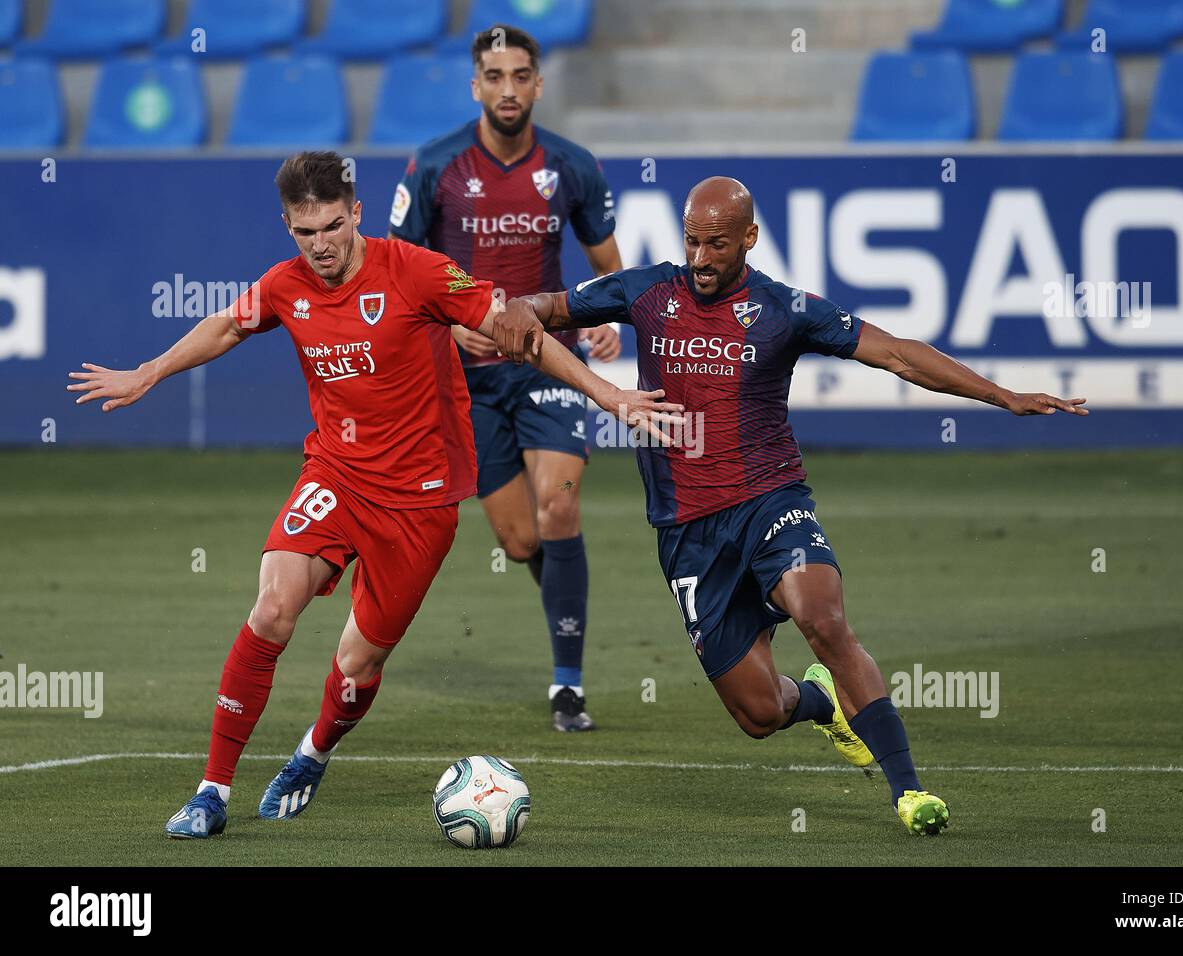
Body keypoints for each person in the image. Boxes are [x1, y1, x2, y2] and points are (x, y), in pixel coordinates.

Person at [66, 151, 680, 839]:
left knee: (358, 663)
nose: (320, 245)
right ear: (287, 227)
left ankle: (314, 750)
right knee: (272, 607)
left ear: (356, 213)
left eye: (332, 226)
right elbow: (230, 325)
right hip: (334, 475)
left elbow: (520, 331)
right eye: (305, 233)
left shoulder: (416, 272)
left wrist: (611, 395)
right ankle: (211, 790)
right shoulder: (286, 284)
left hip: (420, 503)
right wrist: (150, 372)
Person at [491, 176, 1090, 835]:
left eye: (716, 244)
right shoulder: (645, 292)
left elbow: (895, 354)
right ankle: (818, 704)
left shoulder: (786, 310)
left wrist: (1001, 395)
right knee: (759, 715)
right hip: (686, 531)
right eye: (691, 241)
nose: (700, 257)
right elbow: (543, 307)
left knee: (822, 617)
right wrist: (518, 310)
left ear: (749, 238)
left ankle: (909, 791)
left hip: (769, 500)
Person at [389, 25, 623, 732]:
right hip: (469, 380)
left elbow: (610, 263)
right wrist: (445, 323)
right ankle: (562, 606)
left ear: (539, 84)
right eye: (495, 76)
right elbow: (397, 276)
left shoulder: (572, 167)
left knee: (559, 508)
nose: (509, 89)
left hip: (547, 362)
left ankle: (567, 685)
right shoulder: (434, 167)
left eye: (521, 75)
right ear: (476, 85)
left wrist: (608, 314)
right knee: (522, 542)